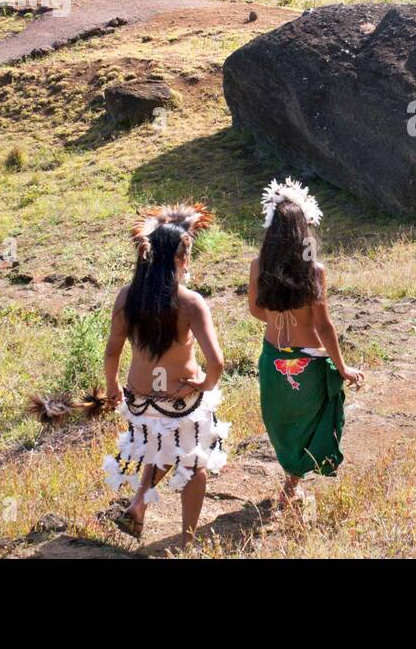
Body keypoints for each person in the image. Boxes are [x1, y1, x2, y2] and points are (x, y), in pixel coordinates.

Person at [102, 203, 229, 545]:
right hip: (181, 401)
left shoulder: (128, 296)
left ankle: (140, 503)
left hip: (140, 401)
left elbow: (112, 351)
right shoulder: (190, 303)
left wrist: (112, 387)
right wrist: (205, 383)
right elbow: (216, 362)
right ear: (180, 259)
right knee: (193, 463)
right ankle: (187, 541)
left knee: (159, 446)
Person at [248, 177, 363, 508]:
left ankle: (290, 481)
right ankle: (292, 484)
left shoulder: (258, 266)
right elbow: (324, 326)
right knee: (314, 420)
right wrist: (342, 368)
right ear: (303, 231)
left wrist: (275, 319)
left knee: (282, 423)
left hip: (273, 360)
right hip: (309, 364)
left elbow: (255, 309)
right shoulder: (314, 270)